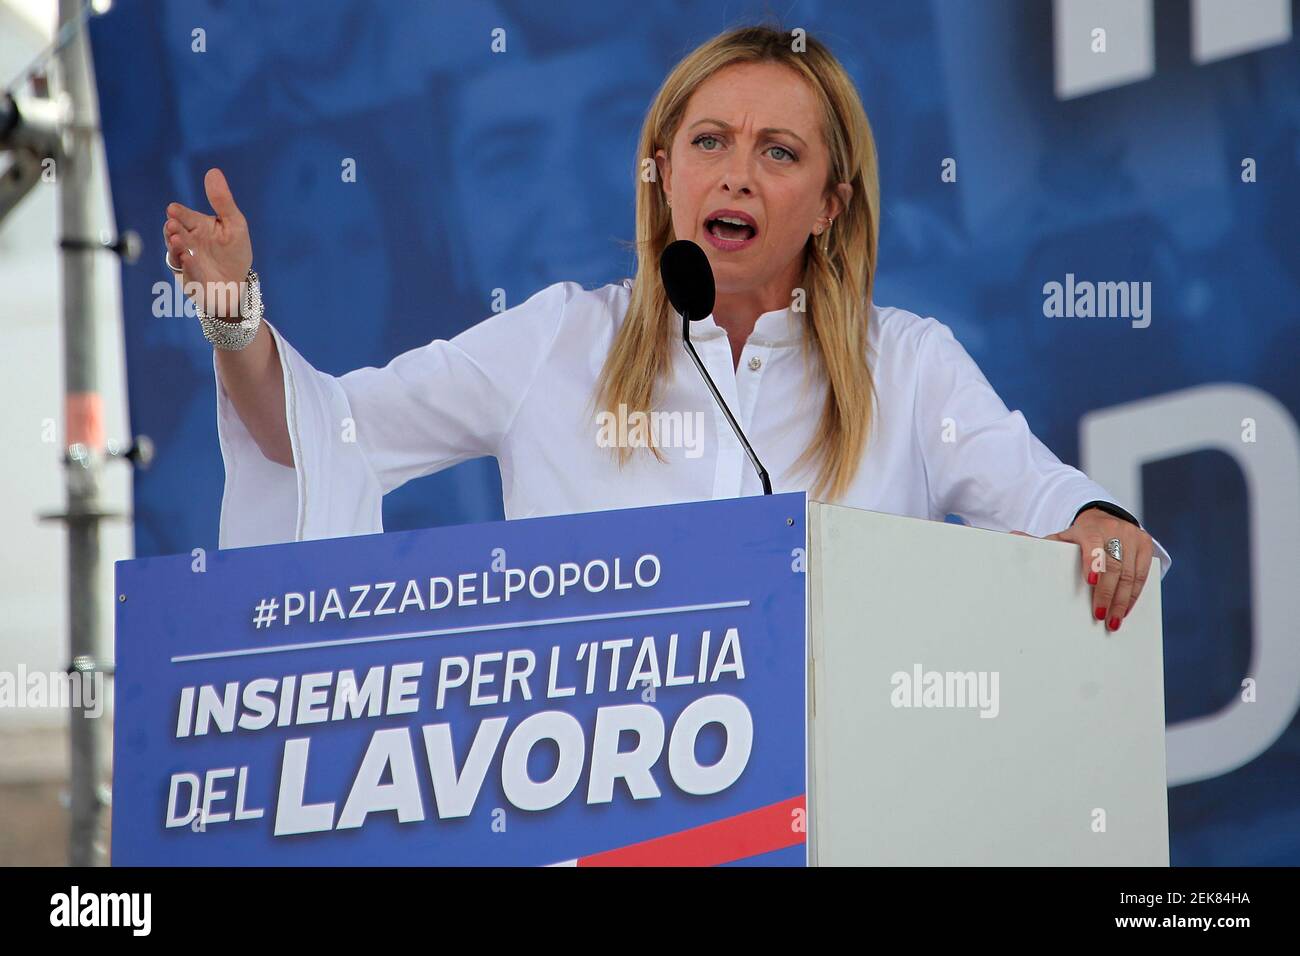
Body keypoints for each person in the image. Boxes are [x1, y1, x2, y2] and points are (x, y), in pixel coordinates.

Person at [162, 25, 1170, 631]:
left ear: (828, 203)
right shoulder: (557, 341)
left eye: (778, 152)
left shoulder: (904, 363)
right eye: (708, 142)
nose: (735, 172)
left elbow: (1047, 500)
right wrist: (234, 319)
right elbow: (318, 431)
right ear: (663, 174)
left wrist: (1095, 525)